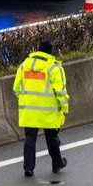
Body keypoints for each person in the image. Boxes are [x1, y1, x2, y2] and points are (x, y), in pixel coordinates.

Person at [12, 40, 69, 178]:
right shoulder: (54, 68)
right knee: (52, 138)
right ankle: (57, 163)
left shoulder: (24, 66)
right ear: (50, 52)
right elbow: (61, 92)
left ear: (38, 50)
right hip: (48, 111)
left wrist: (27, 99)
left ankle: (29, 168)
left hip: (29, 111)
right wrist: (64, 108)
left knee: (30, 138)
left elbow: (16, 88)